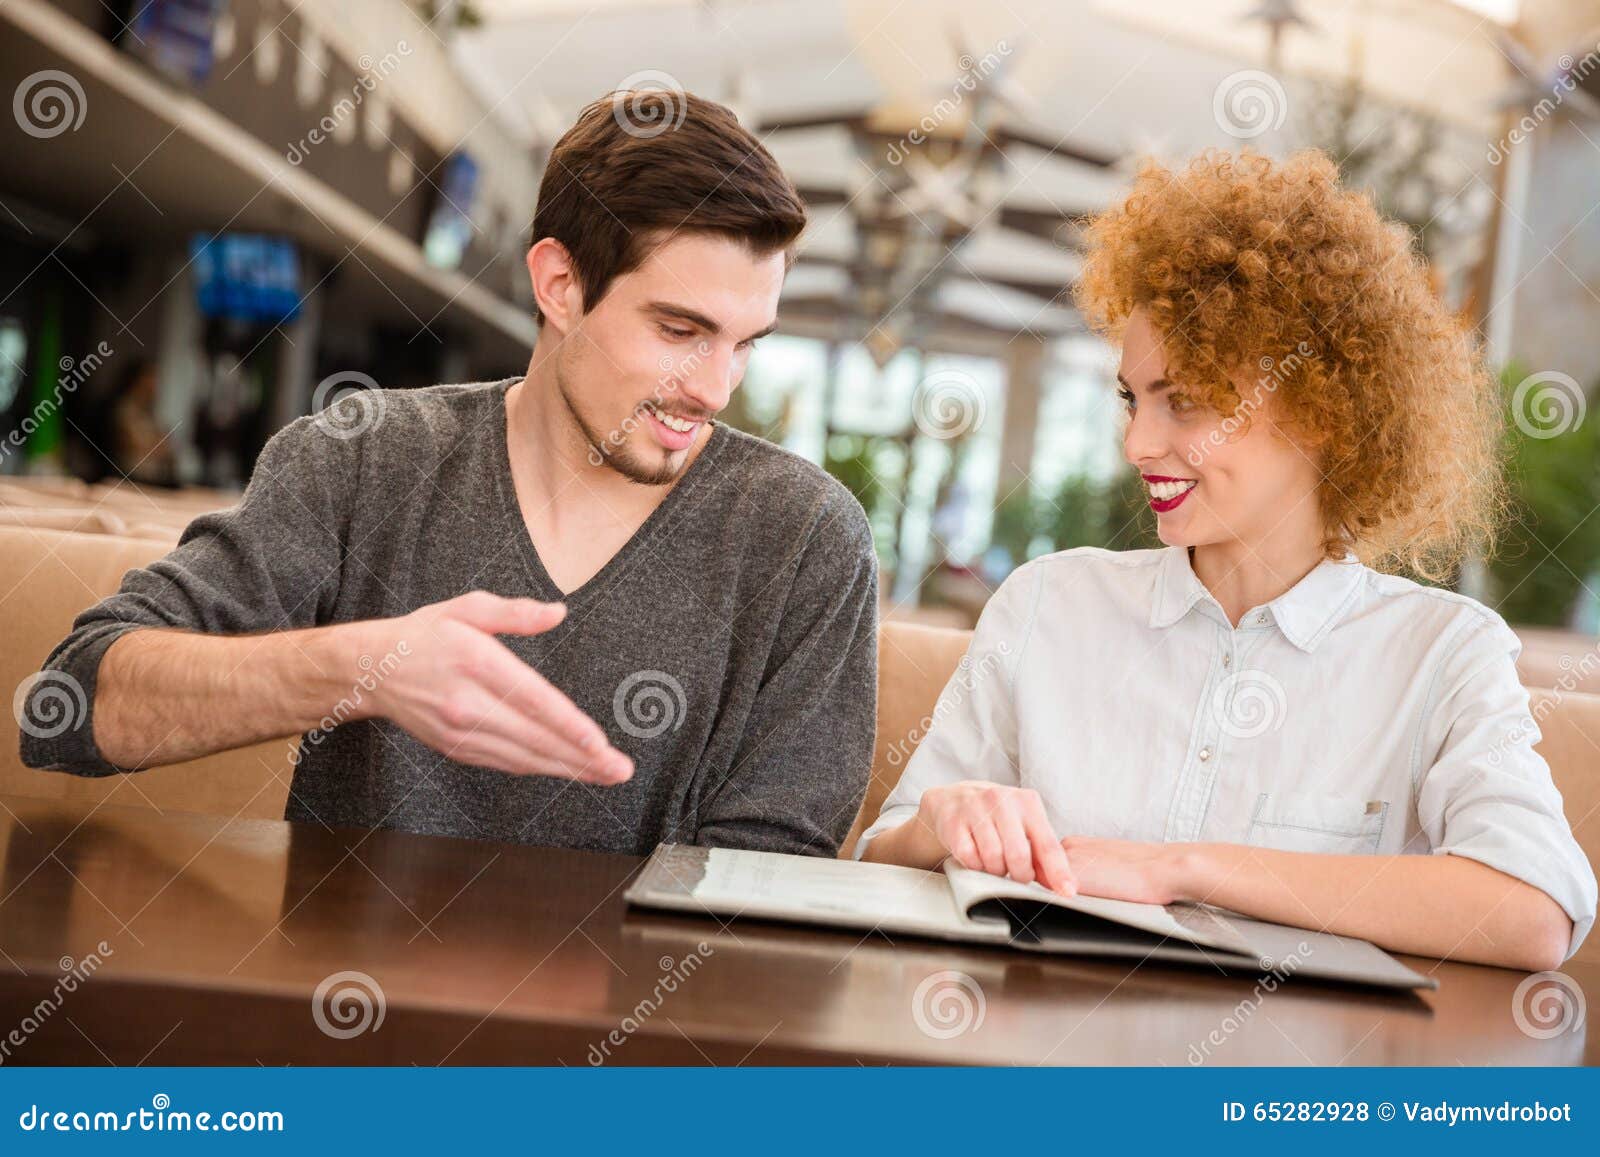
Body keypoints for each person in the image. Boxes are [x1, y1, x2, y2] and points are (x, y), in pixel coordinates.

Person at [21, 91, 878, 858]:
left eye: (744, 344)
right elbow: (68, 705)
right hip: (340, 1020)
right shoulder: (364, 456)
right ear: (560, 284)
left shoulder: (805, 540)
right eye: (680, 329)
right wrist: (363, 668)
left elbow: (763, 895)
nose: (714, 388)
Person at [858, 150, 1596, 971]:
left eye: (1188, 400)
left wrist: (1186, 867)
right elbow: (876, 859)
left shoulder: (1441, 653)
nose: (1137, 444)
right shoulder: (1045, 605)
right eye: (1132, 399)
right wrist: (937, 823)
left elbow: (1533, 909)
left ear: (1319, 405)